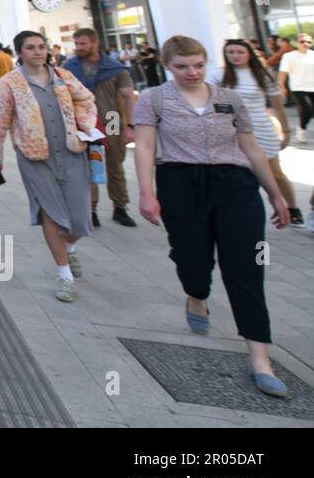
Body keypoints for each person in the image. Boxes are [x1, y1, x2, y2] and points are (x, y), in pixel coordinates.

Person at [132, 35, 291, 398]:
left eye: (198, 65)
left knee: (246, 268)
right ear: (168, 66)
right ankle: (196, 294)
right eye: (183, 66)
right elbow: (143, 145)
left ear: (207, 64)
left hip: (234, 185)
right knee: (192, 260)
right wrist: (146, 192)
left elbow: (250, 147)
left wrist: (276, 193)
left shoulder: (228, 98)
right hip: (179, 182)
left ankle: (260, 358)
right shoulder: (153, 99)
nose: (192, 72)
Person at [0, 31, 98, 303]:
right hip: (35, 157)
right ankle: (64, 275)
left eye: (41, 47)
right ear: (20, 53)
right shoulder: (10, 83)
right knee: (51, 212)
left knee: (81, 215)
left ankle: (69, 248)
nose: (38, 52)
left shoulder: (64, 76)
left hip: (72, 151)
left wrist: (86, 125)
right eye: (31, 48)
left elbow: (87, 99)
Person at [211, 39, 301, 225]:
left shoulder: (261, 74)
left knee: (275, 173)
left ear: (249, 54)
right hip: (231, 132)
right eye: (231, 52)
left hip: (261, 128)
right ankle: (242, 213)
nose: (235, 56)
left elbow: (277, 105)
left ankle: (293, 207)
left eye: (239, 52)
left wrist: (285, 129)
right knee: (239, 174)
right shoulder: (220, 75)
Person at [63, 28, 138, 229]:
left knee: (115, 164)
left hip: (111, 120)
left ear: (95, 43)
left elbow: (129, 96)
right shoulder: (68, 68)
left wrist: (130, 126)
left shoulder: (115, 68)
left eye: (83, 43)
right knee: (87, 167)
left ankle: (120, 208)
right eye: (76, 43)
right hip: (84, 123)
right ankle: (91, 210)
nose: (78, 47)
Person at [278, 33, 314, 143]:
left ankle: (302, 127)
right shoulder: (289, 56)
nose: (305, 44)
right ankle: (302, 129)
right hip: (298, 88)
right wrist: (282, 86)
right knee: (308, 108)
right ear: (297, 43)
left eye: (308, 42)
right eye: (302, 41)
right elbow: (283, 73)